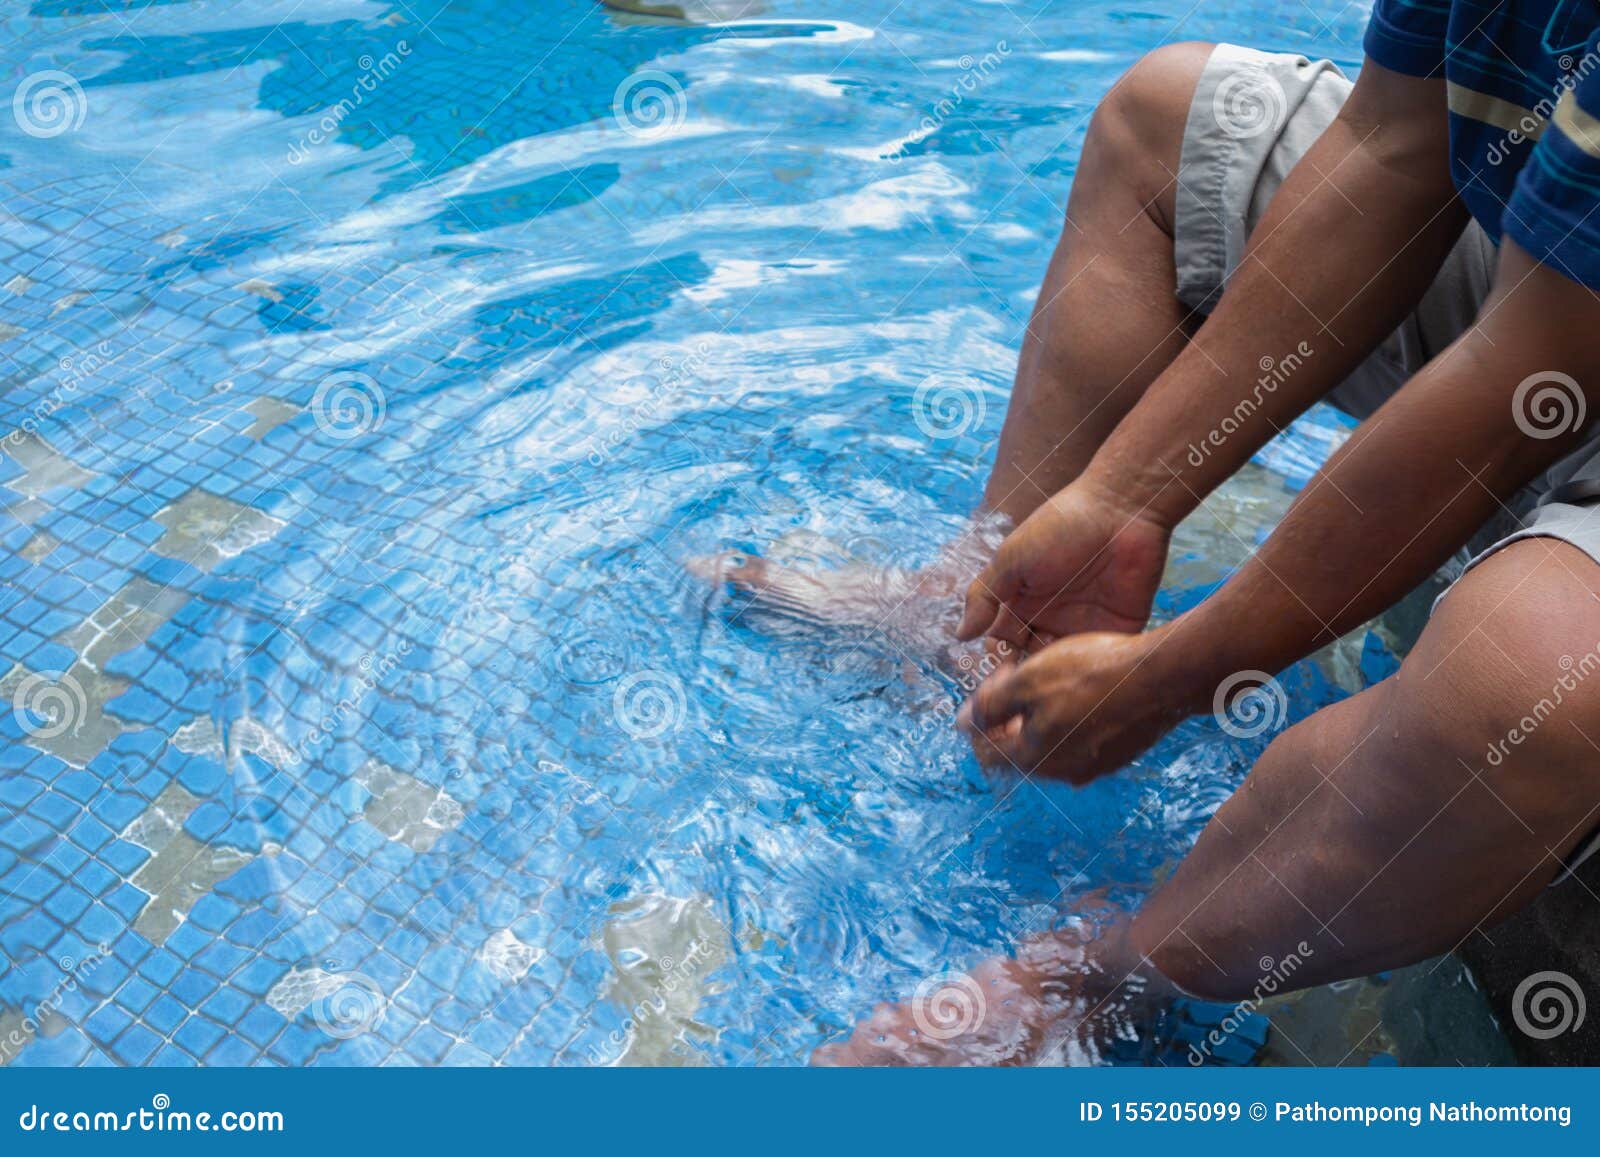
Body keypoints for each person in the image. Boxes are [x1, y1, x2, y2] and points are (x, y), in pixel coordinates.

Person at [812, 3, 1600, 1063]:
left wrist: (1179, 672)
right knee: (1164, 122)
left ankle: (1114, 978)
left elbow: (1522, 384)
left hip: (1551, 340)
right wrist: (1120, 500)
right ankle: (972, 623)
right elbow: (1389, 145)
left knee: (1528, 689)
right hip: (1551, 289)